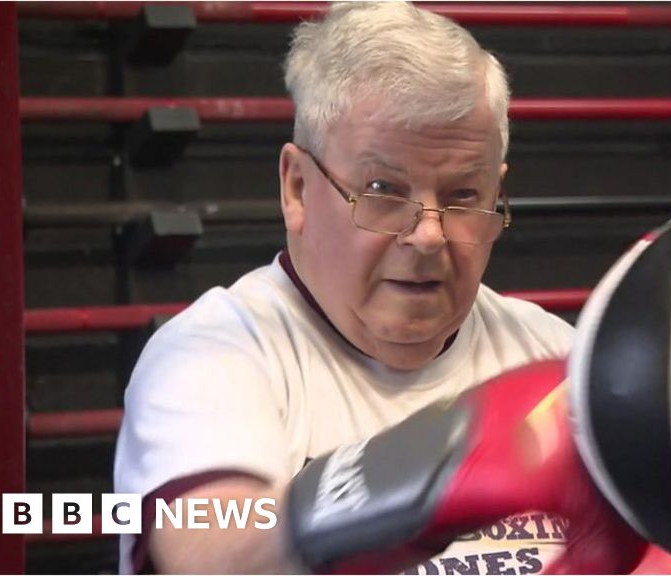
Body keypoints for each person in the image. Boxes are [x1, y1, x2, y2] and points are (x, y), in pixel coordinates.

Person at [114, 3, 576, 573]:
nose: (429, 235)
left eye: (462, 196)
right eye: (383, 189)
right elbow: (208, 553)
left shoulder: (554, 356)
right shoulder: (216, 355)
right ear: (298, 189)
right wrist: (418, 479)